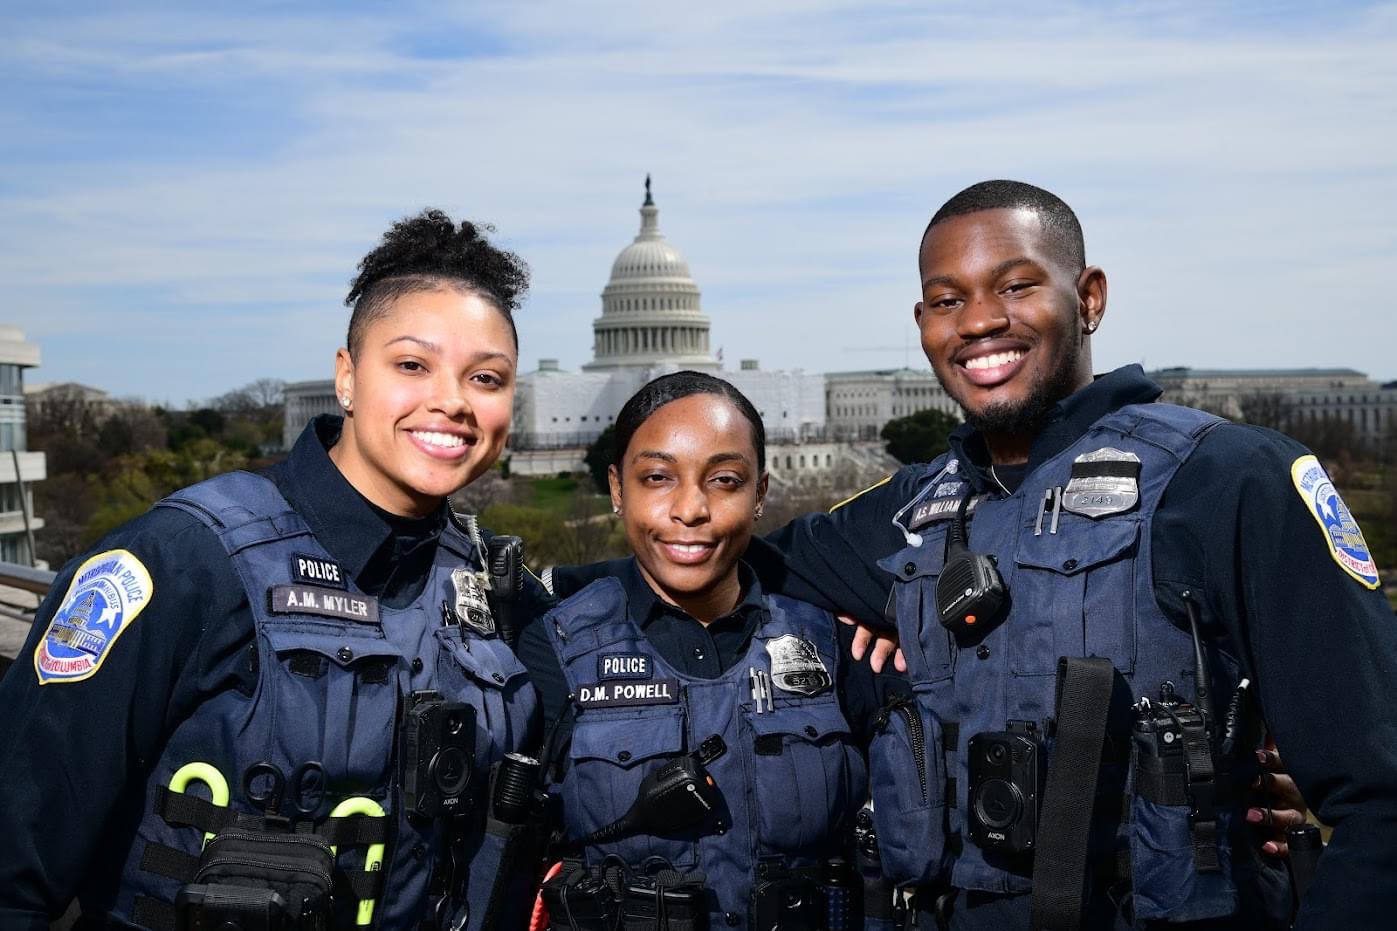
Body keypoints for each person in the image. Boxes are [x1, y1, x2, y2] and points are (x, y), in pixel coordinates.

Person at [734, 180, 1397, 929]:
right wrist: (864, 612)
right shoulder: (907, 515)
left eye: (1016, 286)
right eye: (947, 300)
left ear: (1088, 298)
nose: (979, 321)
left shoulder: (1228, 479)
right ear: (922, 324)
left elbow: (1380, 798)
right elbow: (710, 565)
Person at [0, 210, 549, 930]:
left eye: (485, 377)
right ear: (347, 376)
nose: (451, 400)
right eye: (412, 365)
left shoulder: (497, 591)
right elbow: (16, 862)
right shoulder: (184, 560)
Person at [516, 371, 891, 930]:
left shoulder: (838, 642)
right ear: (617, 489)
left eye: (724, 480)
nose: (690, 509)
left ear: (760, 493)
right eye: (657, 477)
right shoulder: (551, 647)